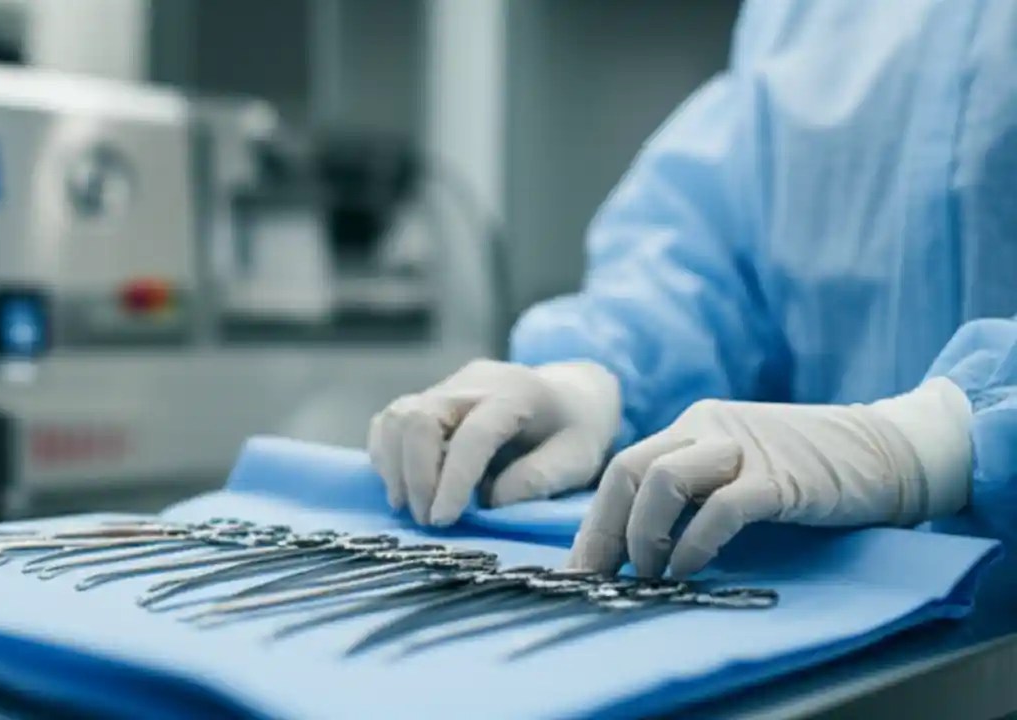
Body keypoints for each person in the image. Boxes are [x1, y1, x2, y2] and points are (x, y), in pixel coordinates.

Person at [368, 0, 1016, 580]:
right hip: (845, 614)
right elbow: (721, 247)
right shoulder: (808, 16)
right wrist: (601, 378)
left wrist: (941, 439)